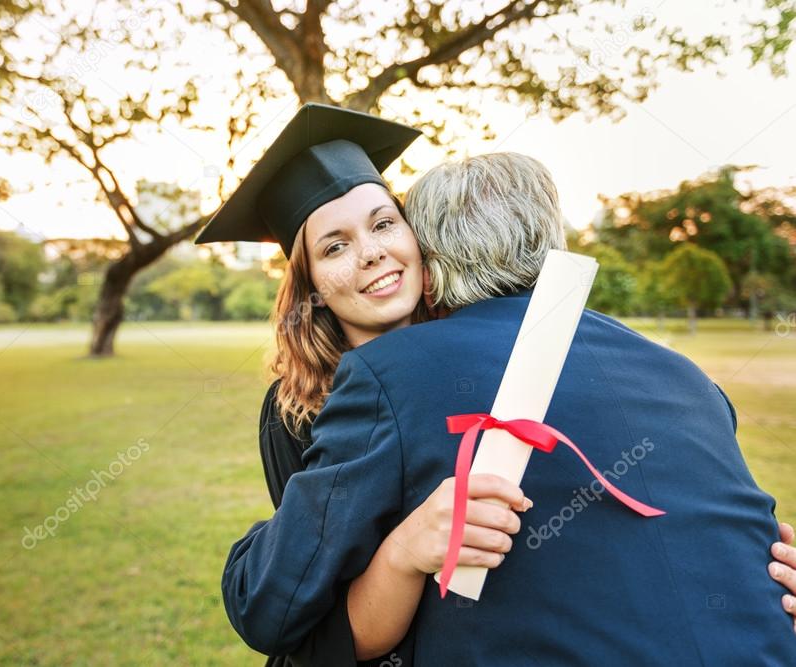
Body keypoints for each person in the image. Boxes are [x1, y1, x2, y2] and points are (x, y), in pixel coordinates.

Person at [199, 104, 796, 664]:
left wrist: (753, 568)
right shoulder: (295, 413)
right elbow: (301, 598)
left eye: (384, 223)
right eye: (335, 247)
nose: (372, 254)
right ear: (311, 287)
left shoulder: (511, 359)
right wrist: (404, 554)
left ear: (423, 246)